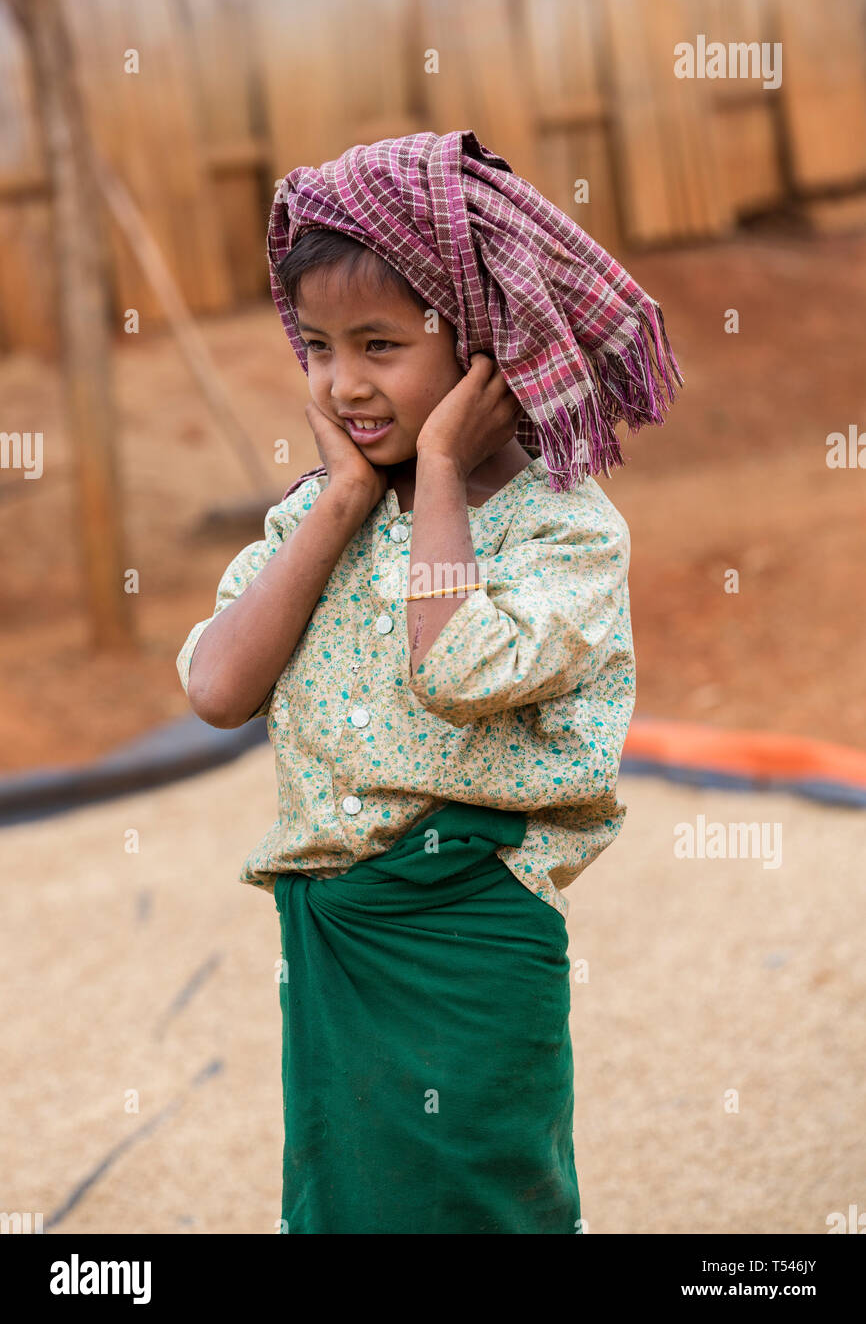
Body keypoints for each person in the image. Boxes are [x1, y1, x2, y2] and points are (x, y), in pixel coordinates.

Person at [177, 129, 683, 1234]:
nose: (342, 383)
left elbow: (454, 664)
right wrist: (346, 503)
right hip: (333, 939)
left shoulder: (562, 533)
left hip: (467, 927)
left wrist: (442, 469)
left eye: (379, 345)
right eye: (315, 346)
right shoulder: (326, 515)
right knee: (348, 1204)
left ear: (483, 349)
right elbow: (217, 685)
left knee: (480, 1200)